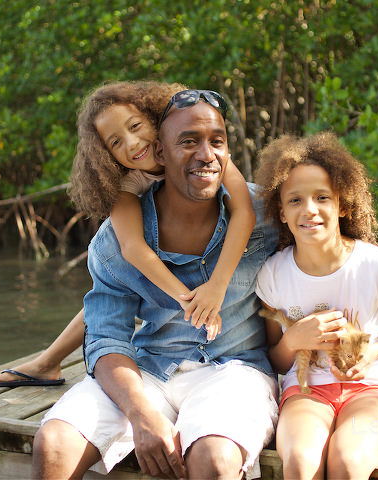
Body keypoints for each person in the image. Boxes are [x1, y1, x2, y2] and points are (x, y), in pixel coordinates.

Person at [32, 90, 281, 479]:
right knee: (54, 444)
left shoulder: (266, 211)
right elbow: (105, 338)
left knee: (213, 460)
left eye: (216, 141)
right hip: (149, 371)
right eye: (187, 142)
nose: (205, 154)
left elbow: (341, 260)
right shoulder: (116, 232)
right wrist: (141, 414)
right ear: (160, 152)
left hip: (236, 370)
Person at [0, 81, 254, 387]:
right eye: (115, 142)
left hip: (208, 236)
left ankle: (47, 361)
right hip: (158, 244)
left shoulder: (200, 151)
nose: (132, 143)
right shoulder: (127, 183)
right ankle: (47, 362)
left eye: (136, 126)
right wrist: (190, 302)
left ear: (155, 119)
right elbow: (132, 248)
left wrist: (217, 287)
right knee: (109, 291)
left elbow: (244, 212)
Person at [253, 132, 378, 479]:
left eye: (322, 197)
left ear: (344, 205)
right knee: (301, 463)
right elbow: (276, 359)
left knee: (348, 462)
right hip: (305, 391)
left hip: (371, 388)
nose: (309, 209)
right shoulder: (274, 274)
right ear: (281, 211)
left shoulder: (376, 265)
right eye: (295, 200)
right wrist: (294, 340)